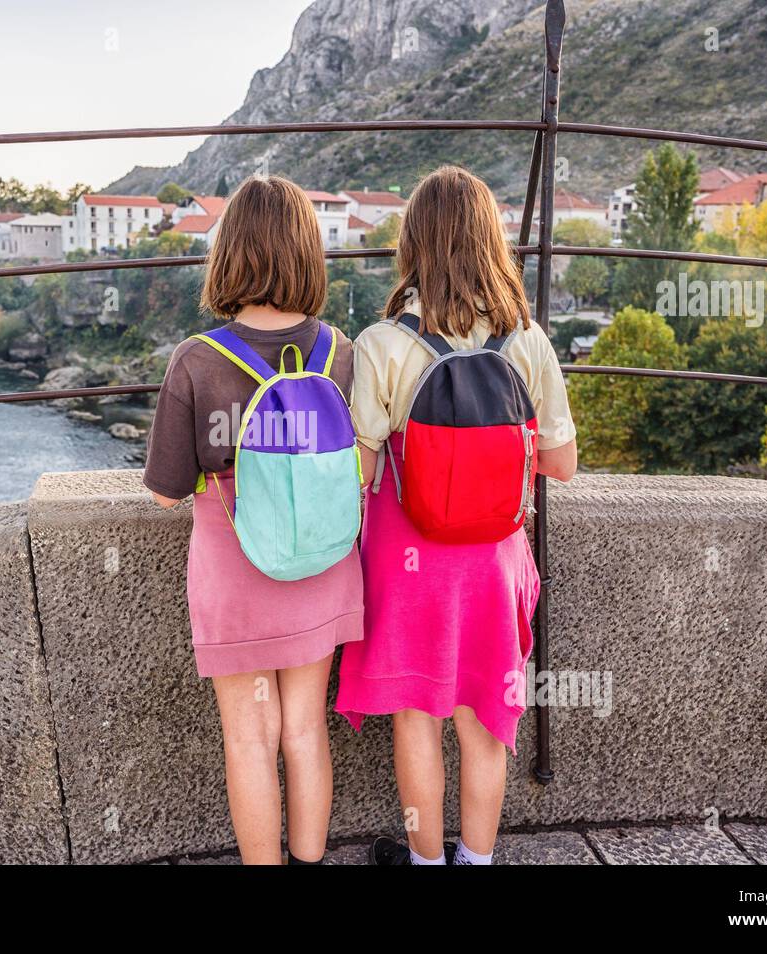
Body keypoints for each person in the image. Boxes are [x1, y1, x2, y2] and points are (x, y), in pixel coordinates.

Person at [335, 165, 578, 866]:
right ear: (490, 242)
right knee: (484, 726)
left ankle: (425, 862)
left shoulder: (382, 343)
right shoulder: (527, 340)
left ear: (412, 243)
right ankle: (477, 862)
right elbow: (560, 465)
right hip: (492, 569)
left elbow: (365, 470)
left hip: (412, 570)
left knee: (418, 720)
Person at [143, 174, 362, 865]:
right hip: (323, 563)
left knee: (248, 738)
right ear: (308, 254)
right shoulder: (341, 353)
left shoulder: (197, 360)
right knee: (304, 732)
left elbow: (166, 493)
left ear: (228, 253)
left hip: (237, 569)